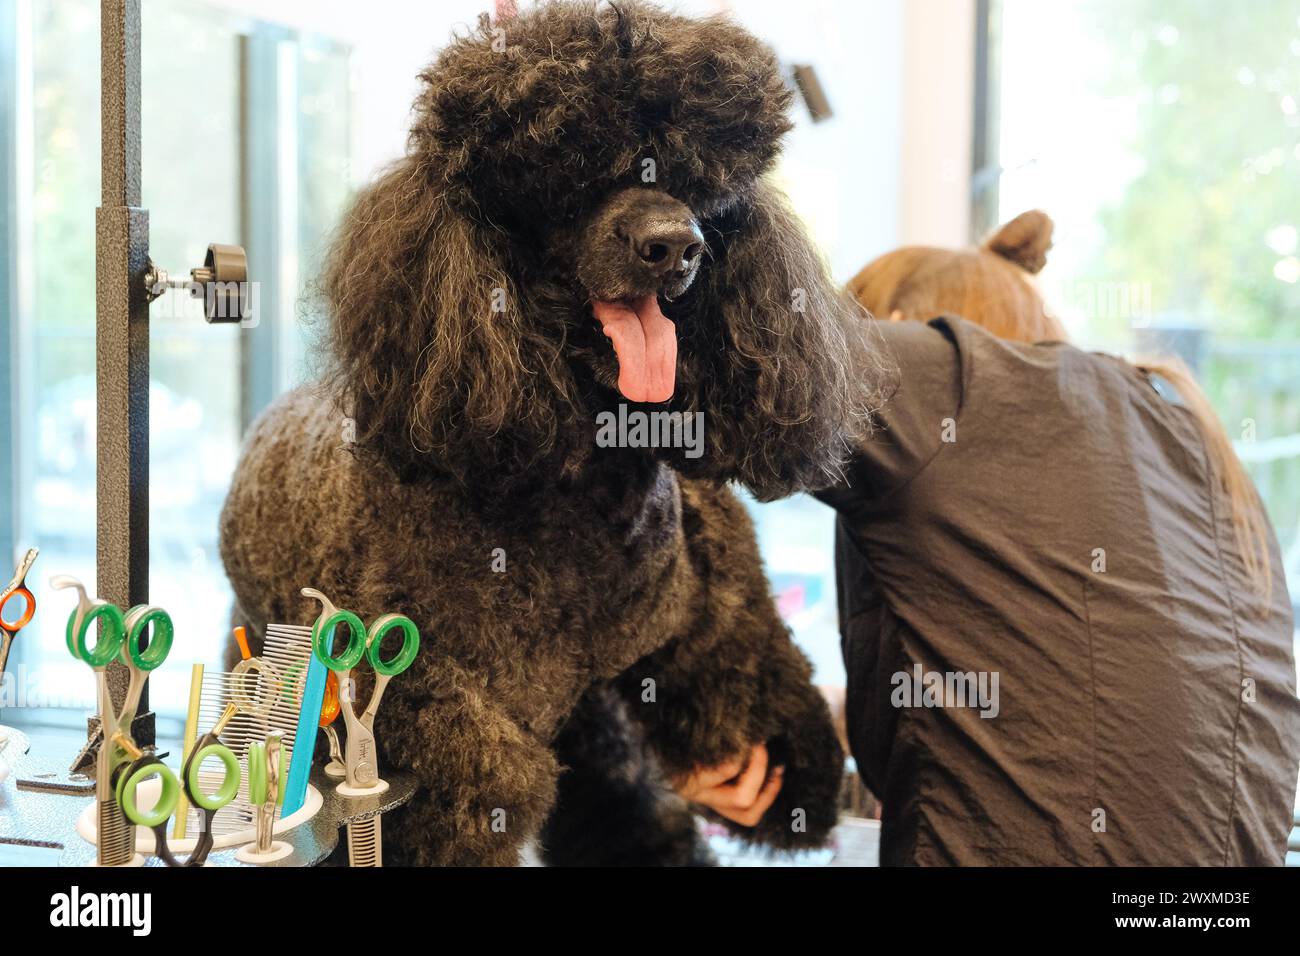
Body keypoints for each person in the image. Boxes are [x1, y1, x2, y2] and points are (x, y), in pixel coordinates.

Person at [678, 211, 1300, 865]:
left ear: (890, 335)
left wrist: (667, 746)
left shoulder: (949, 383)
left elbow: (703, 352)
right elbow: (1027, 708)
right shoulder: (1189, 449)